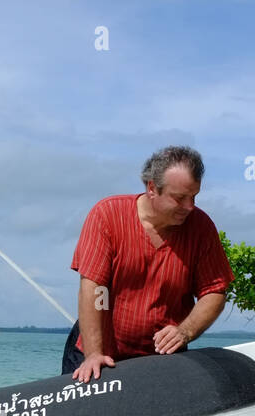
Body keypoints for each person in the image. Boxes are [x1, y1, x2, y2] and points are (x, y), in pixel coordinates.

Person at [65, 146, 234, 382]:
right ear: (152, 188)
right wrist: (94, 353)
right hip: (98, 355)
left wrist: (185, 331)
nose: (190, 206)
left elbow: (214, 291)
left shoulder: (201, 227)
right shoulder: (107, 215)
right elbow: (95, 288)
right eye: (179, 198)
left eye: (194, 196)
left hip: (162, 360)